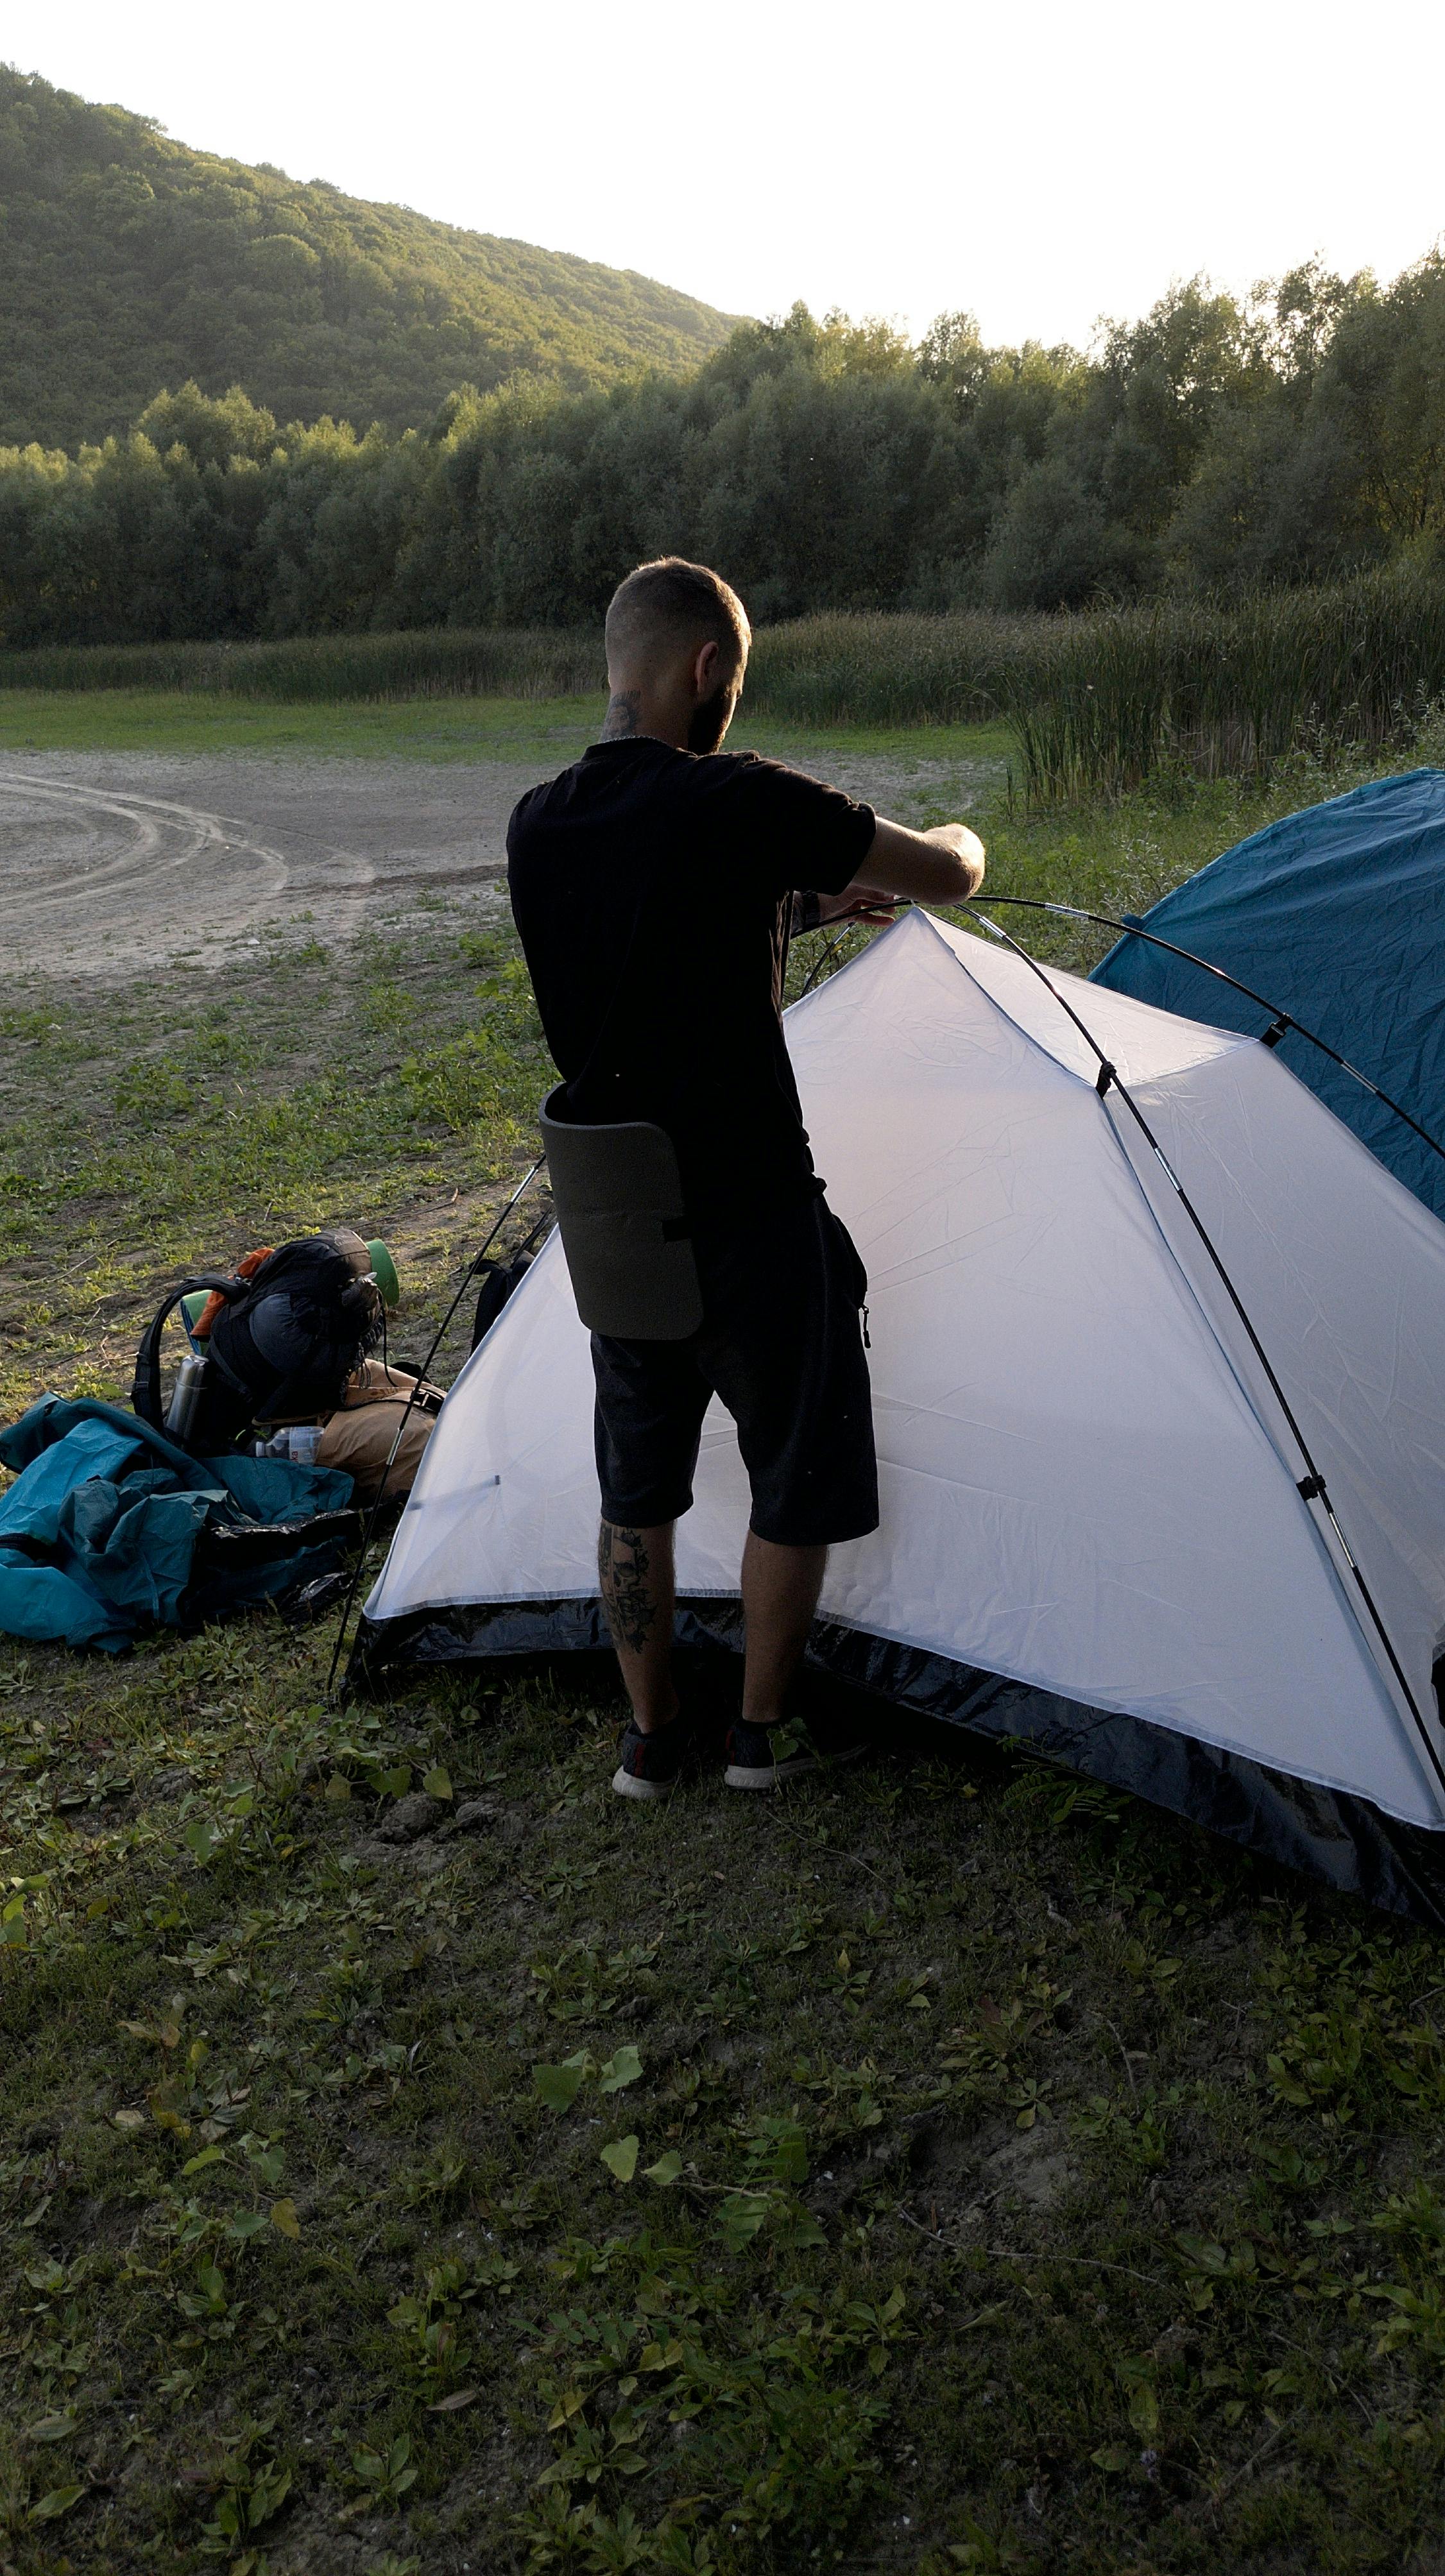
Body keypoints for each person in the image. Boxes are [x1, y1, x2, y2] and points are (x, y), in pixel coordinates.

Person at [506, 557, 984, 1800]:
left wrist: (812, 912)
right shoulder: (735, 796)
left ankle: (652, 1738)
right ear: (708, 671)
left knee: (639, 1484)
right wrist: (956, 844)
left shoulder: (539, 821)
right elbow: (948, 874)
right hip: (749, 1207)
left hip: (615, 1217)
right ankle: (763, 1734)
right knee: (796, 1463)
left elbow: (656, 937)